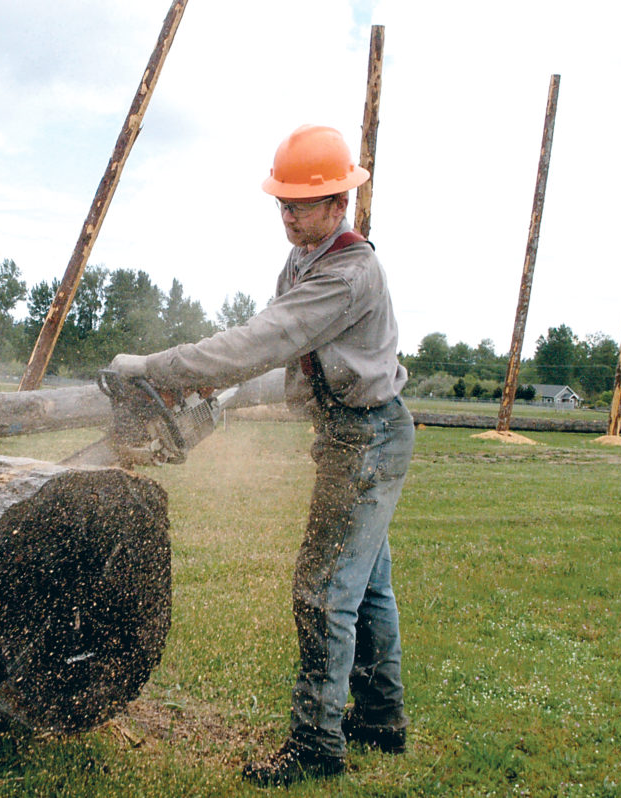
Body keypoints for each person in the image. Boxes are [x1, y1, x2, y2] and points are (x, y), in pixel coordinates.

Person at [108, 124, 415, 787]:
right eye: (283, 203)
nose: (288, 214)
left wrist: (154, 366)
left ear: (340, 204)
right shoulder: (302, 262)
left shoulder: (349, 271)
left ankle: (315, 746)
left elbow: (259, 340)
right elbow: (281, 360)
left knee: (324, 592)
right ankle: (382, 721)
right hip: (349, 431)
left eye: (301, 204)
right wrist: (213, 407)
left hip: (366, 438)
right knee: (368, 590)